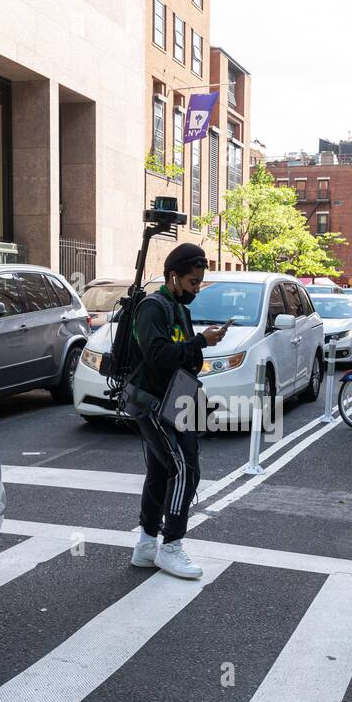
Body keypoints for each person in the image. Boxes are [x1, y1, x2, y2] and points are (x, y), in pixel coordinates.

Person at [127, 243, 228, 579]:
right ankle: (170, 546)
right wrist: (200, 342)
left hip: (176, 396)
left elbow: (184, 356)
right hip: (152, 400)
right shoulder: (153, 307)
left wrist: (201, 345)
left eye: (199, 282)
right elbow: (157, 355)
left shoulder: (177, 308)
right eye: (192, 282)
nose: (196, 289)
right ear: (173, 277)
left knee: (161, 469)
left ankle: (145, 545)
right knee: (184, 469)